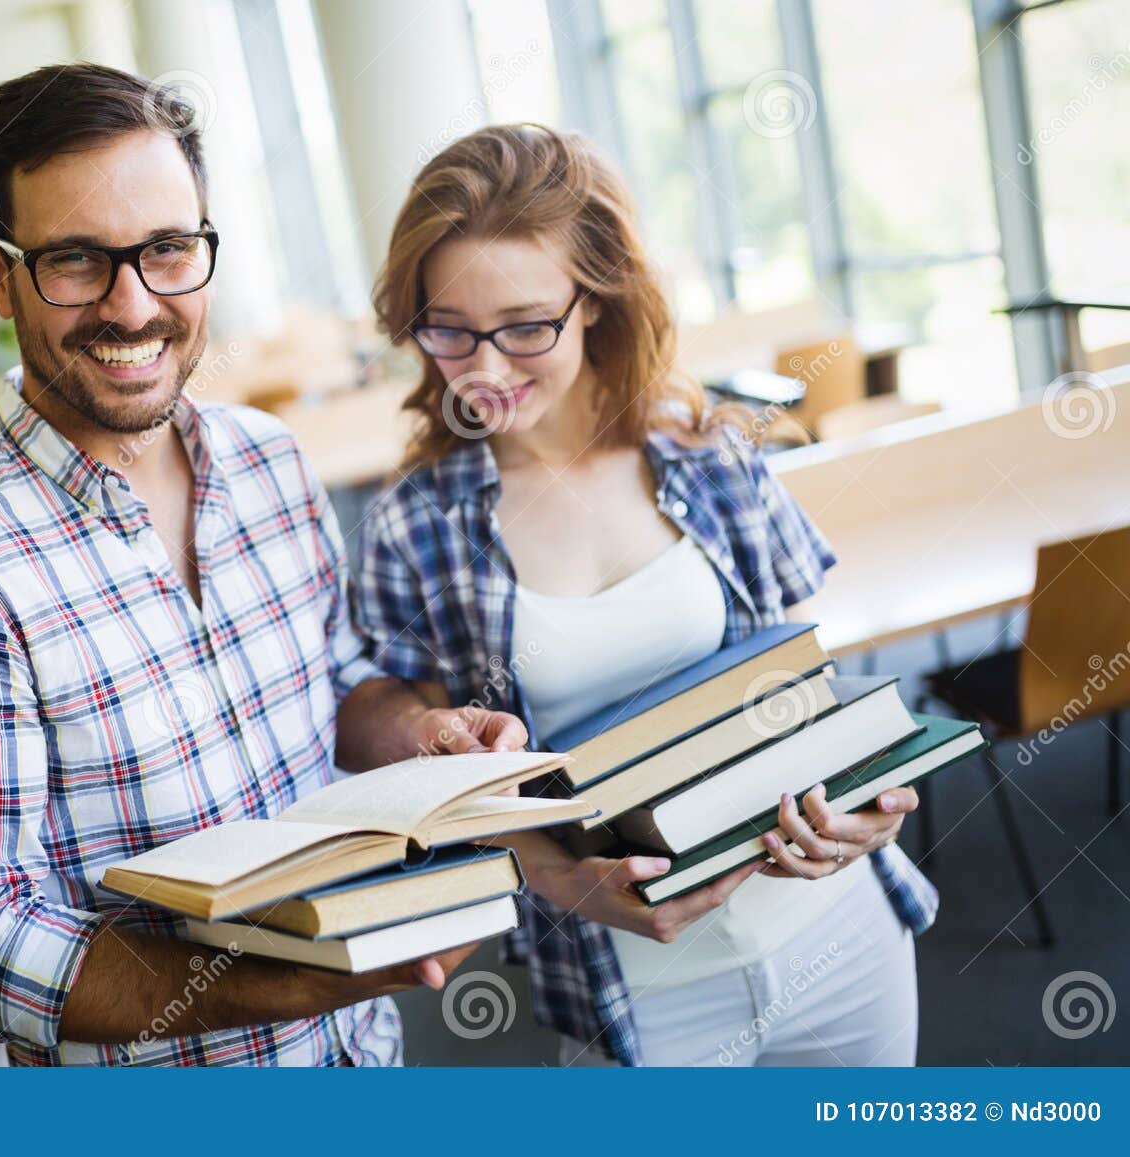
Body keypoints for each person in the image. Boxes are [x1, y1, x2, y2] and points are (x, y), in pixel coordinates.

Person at [0, 64, 523, 1067]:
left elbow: (331, 689)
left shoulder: (270, 462)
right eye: (74, 259)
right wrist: (302, 977)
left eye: (165, 249)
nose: (131, 304)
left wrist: (421, 732)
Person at [352, 124, 936, 1067]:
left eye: (527, 326)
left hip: (840, 933)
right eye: (451, 329)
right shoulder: (414, 523)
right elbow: (399, 761)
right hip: (640, 989)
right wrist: (551, 877)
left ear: (597, 300)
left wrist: (870, 796)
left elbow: (810, 682)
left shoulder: (711, 457)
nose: (486, 370)